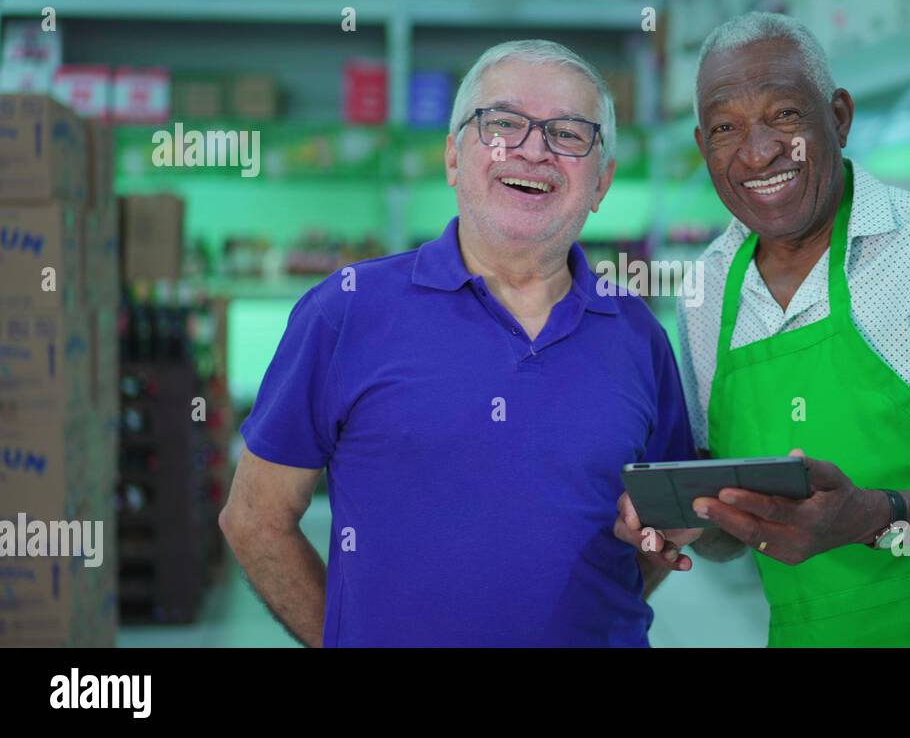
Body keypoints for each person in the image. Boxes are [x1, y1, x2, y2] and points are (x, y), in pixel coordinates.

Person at [616, 12, 910, 647]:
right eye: (727, 128)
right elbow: (731, 539)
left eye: (784, 115)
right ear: (703, 147)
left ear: (837, 116)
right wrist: (689, 515)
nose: (758, 152)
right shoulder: (708, 289)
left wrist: (878, 517)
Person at [221, 39, 694, 647]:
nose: (532, 148)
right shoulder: (346, 311)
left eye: (569, 133)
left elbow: (661, 531)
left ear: (601, 183)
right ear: (452, 158)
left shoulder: (638, 334)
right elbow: (255, 519)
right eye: (502, 123)